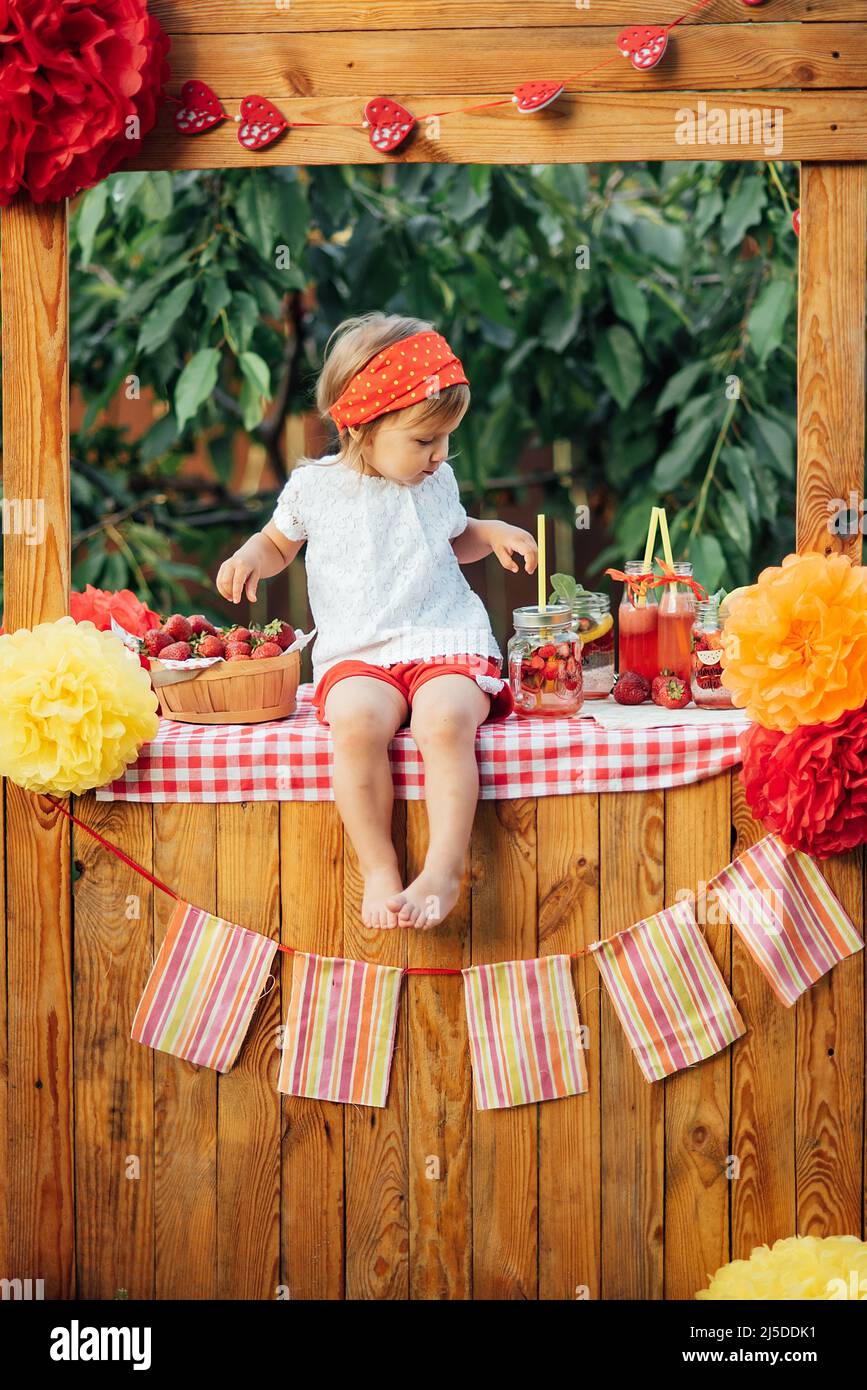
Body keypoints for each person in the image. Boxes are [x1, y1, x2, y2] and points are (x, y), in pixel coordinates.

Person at [217, 312, 537, 930]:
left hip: (442, 635)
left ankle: (445, 868)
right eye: (423, 441)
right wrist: (249, 557)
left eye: (445, 439)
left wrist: (489, 533)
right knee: (356, 725)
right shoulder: (315, 489)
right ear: (362, 426)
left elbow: (456, 537)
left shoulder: (435, 482)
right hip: (359, 649)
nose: (439, 455)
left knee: (445, 722)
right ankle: (381, 868)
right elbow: (278, 544)